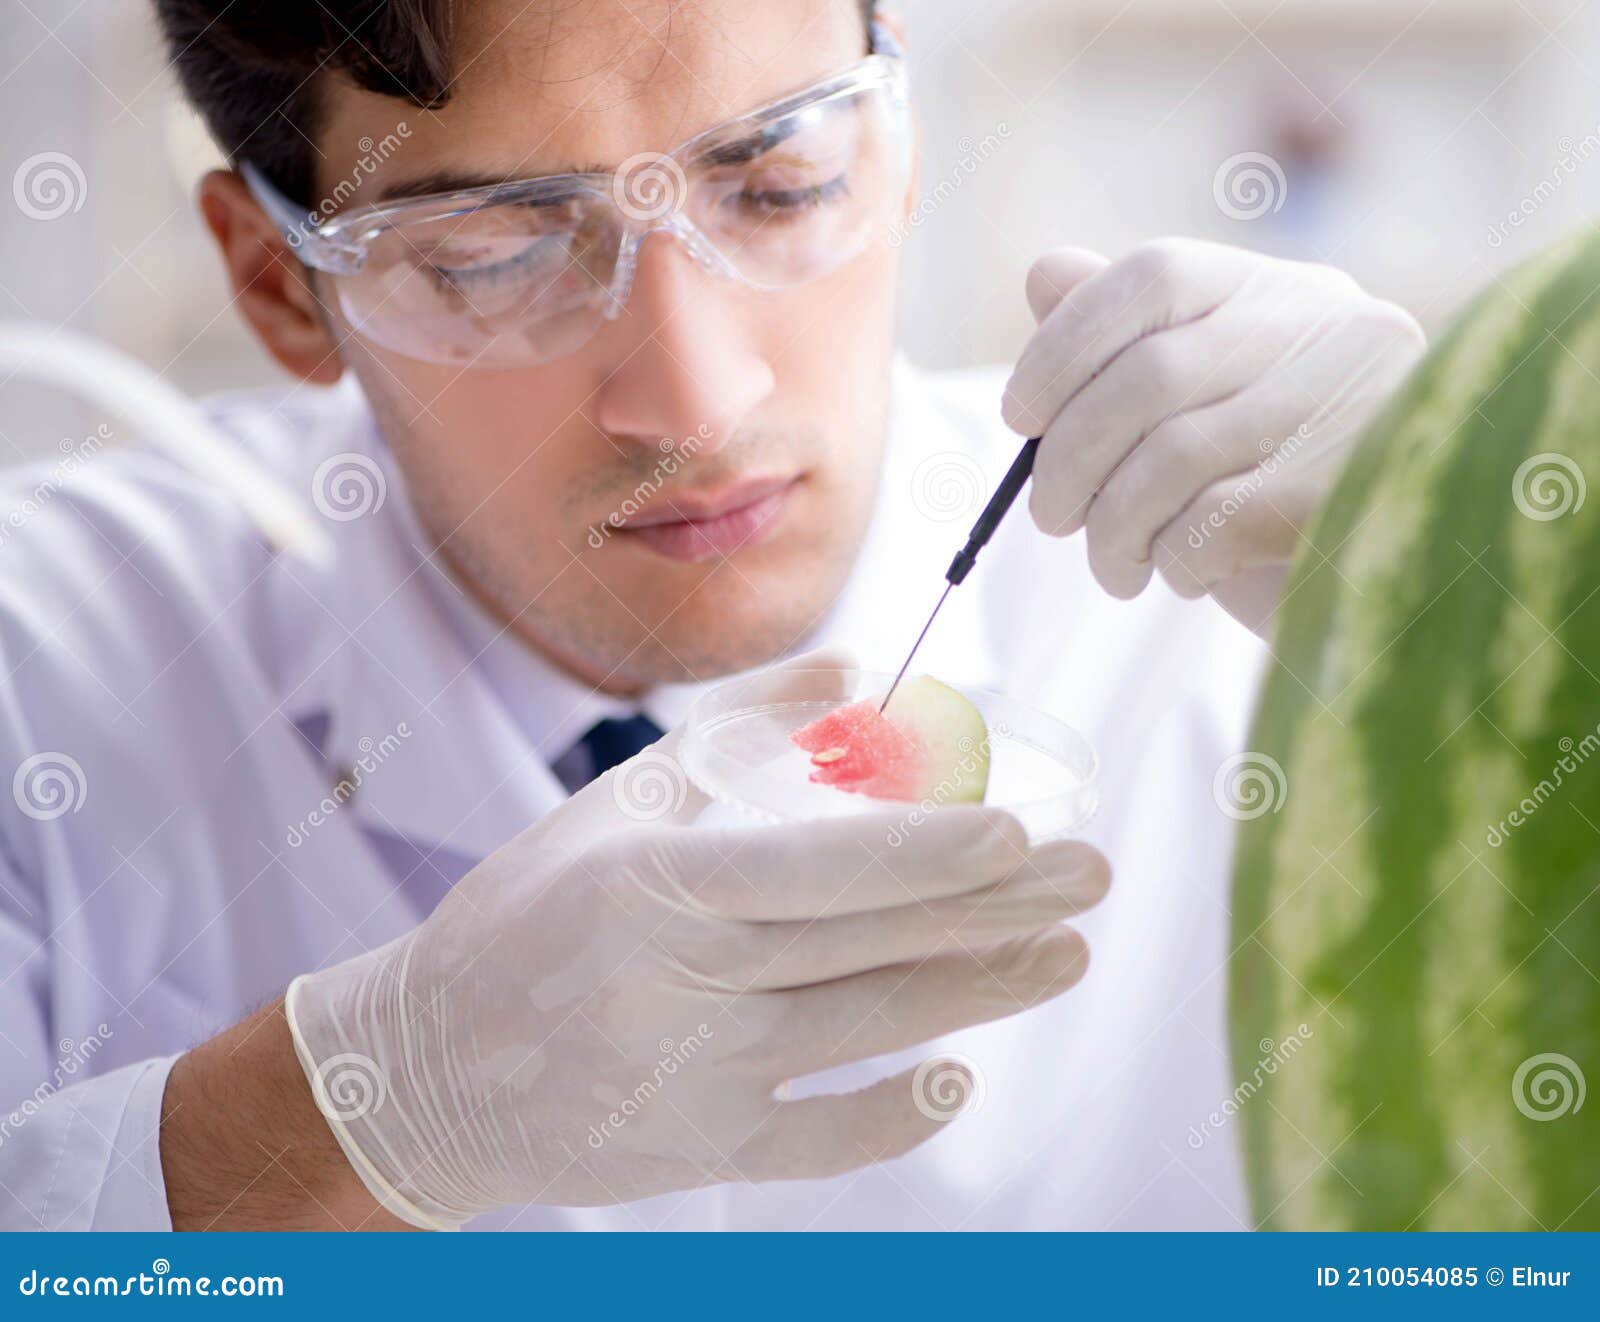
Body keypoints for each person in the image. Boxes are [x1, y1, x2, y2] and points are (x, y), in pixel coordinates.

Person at [0, 0, 1424, 1231]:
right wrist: (365, 1108)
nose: (697, 400)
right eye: (494, 255)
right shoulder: (50, 674)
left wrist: (1527, 627)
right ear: (276, 281)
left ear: (901, 142)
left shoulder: (1234, 604)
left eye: (782, 182)